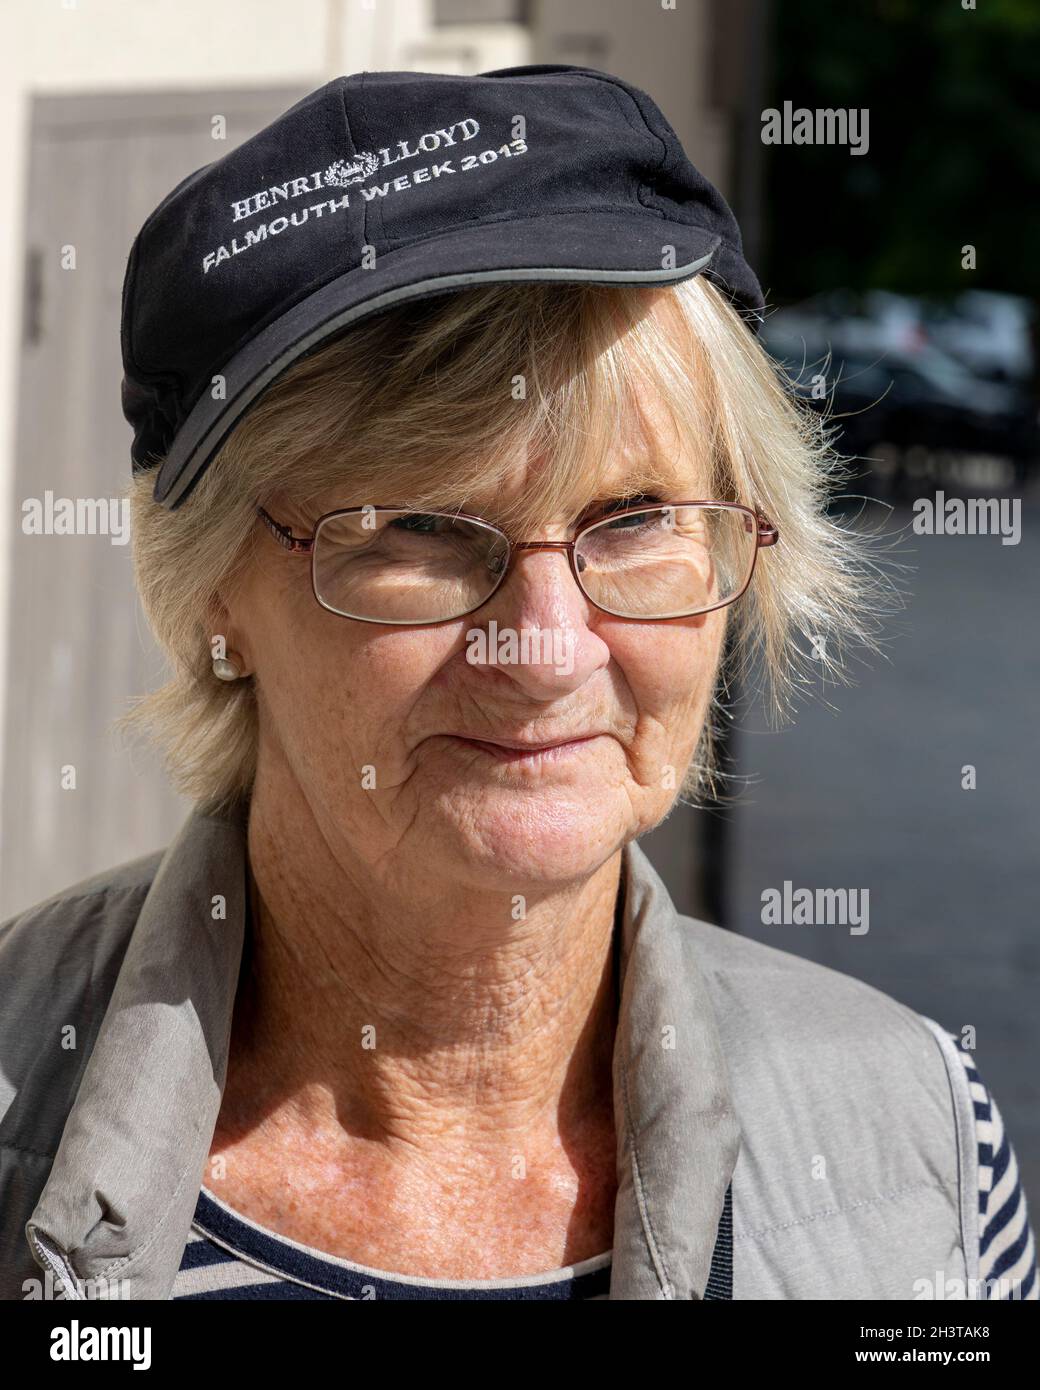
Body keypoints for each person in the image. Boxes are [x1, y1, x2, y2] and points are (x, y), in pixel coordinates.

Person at [1, 65, 1034, 1302]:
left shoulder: (917, 1138)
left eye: (636, 514)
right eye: (423, 530)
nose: (543, 648)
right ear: (215, 591)